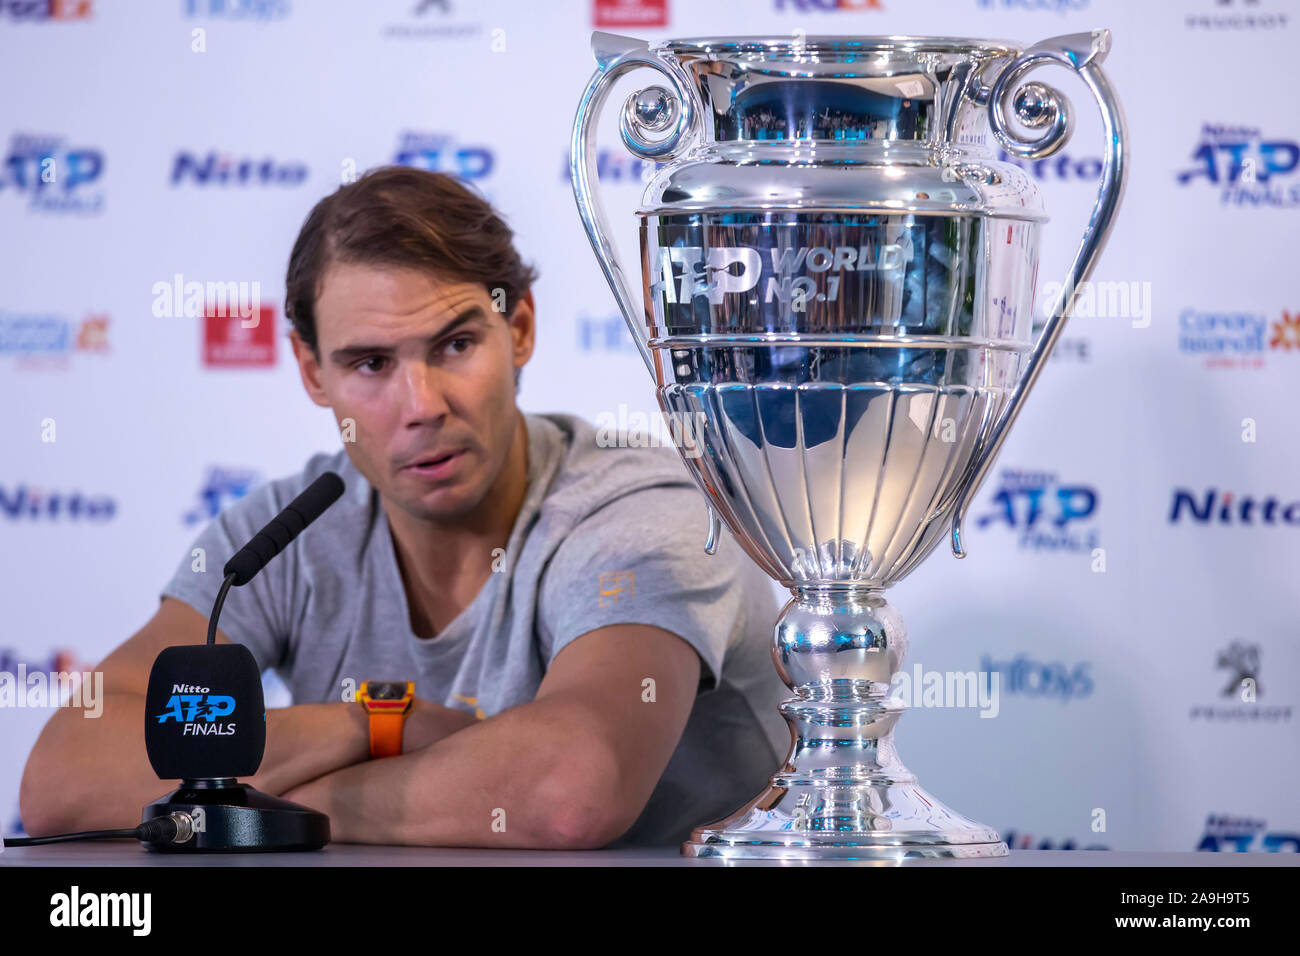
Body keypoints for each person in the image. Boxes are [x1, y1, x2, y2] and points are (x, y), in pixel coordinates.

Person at [19, 166, 788, 849]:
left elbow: (568, 791)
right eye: (370, 364)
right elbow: (62, 776)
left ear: (518, 328)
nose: (421, 406)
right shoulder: (286, 536)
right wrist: (373, 723)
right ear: (312, 371)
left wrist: (271, 812)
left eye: (455, 345)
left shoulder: (642, 517)